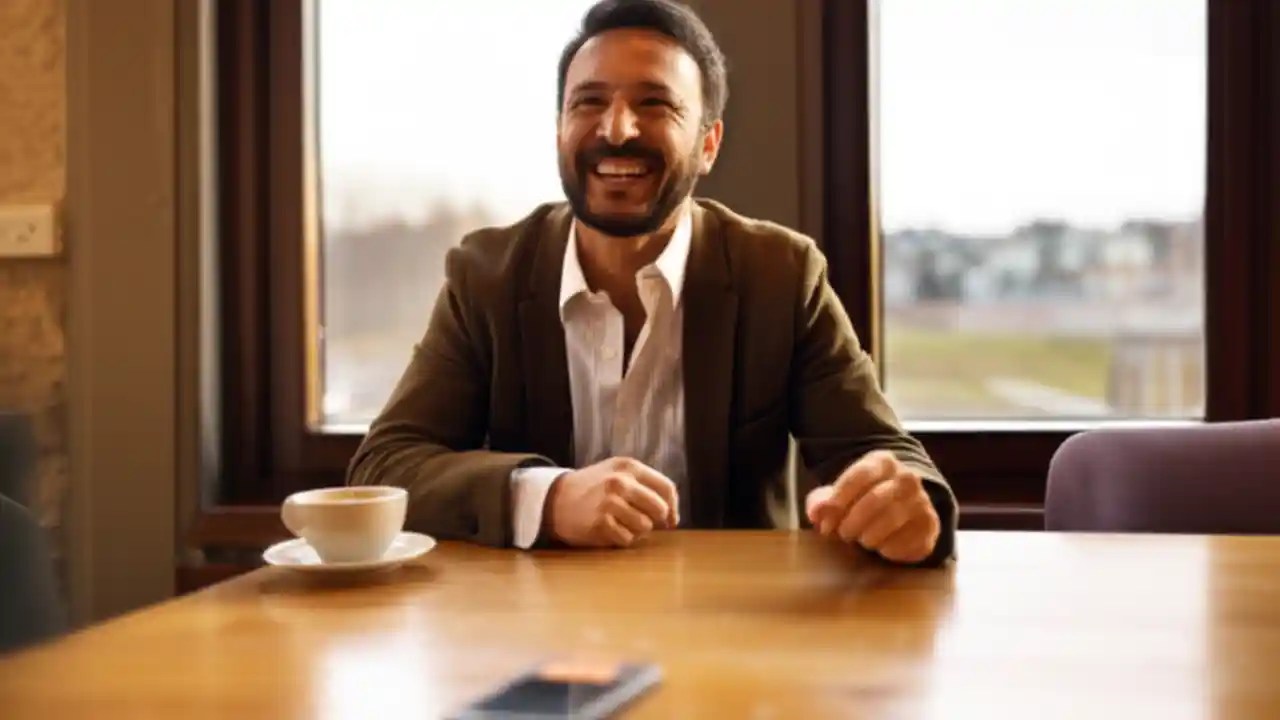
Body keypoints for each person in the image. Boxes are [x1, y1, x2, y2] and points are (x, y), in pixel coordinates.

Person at [348, 0, 957, 566]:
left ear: (709, 142)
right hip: (534, 627)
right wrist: (547, 498)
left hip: (734, 633)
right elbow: (385, 467)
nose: (617, 130)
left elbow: (884, 454)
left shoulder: (781, 274)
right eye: (588, 102)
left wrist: (907, 507)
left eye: (654, 104)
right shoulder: (486, 274)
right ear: (560, 129)